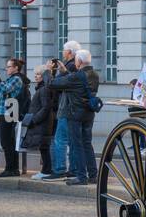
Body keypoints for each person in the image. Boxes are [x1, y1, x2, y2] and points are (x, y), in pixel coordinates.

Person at [51, 49, 101, 185]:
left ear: (78, 61)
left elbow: (53, 84)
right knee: (87, 143)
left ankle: (81, 176)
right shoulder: (94, 74)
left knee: (76, 144)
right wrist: (65, 72)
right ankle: (93, 175)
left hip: (75, 113)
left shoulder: (77, 77)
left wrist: (49, 71)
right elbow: (77, 83)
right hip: (89, 113)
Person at [47, 40, 80, 178]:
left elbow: (53, 84)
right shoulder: (73, 66)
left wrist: (48, 71)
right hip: (72, 108)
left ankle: (59, 169)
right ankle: (72, 170)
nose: (62, 53)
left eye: (64, 50)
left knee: (60, 140)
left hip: (66, 108)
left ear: (70, 52)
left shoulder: (70, 66)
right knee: (71, 141)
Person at [0, 58, 30, 177]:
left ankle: (11, 169)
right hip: (6, 111)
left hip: (9, 111)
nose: (6, 69)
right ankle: (12, 168)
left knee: (7, 141)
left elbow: (4, 89)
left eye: (9, 67)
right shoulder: (10, 79)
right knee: (8, 141)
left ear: (16, 68)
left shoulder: (16, 79)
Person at [23, 64, 57, 179]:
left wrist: (34, 120)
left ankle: (46, 170)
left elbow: (45, 107)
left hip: (42, 123)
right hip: (42, 122)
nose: (36, 77)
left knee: (44, 147)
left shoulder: (43, 89)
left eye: (38, 74)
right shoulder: (42, 88)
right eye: (35, 74)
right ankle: (45, 170)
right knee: (43, 147)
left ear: (44, 76)